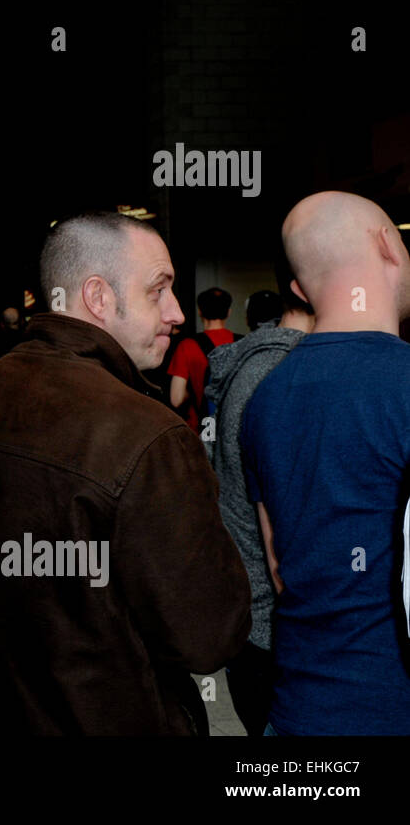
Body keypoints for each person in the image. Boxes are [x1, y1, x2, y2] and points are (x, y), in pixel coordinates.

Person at [0, 211, 250, 734]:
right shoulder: (148, 434)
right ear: (98, 297)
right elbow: (209, 637)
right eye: (158, 290)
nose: (177, 312)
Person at [240, 191, 410, 735]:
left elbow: (278, 566)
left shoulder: (264, 400)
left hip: (297, 715)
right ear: (389, 245)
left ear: (297, 287)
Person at [202, 274, 313, 735]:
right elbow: (280, 538)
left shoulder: (261, 362)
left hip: (252, 617)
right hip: (269, 625)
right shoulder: (277, 371)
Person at [167, 287, 237, 430]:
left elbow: (176, 399)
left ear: (200, 311)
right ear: (229, 312)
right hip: (234, 430)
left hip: (203, 430)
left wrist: (195, 389)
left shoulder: (187, 345)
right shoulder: (242, 342)